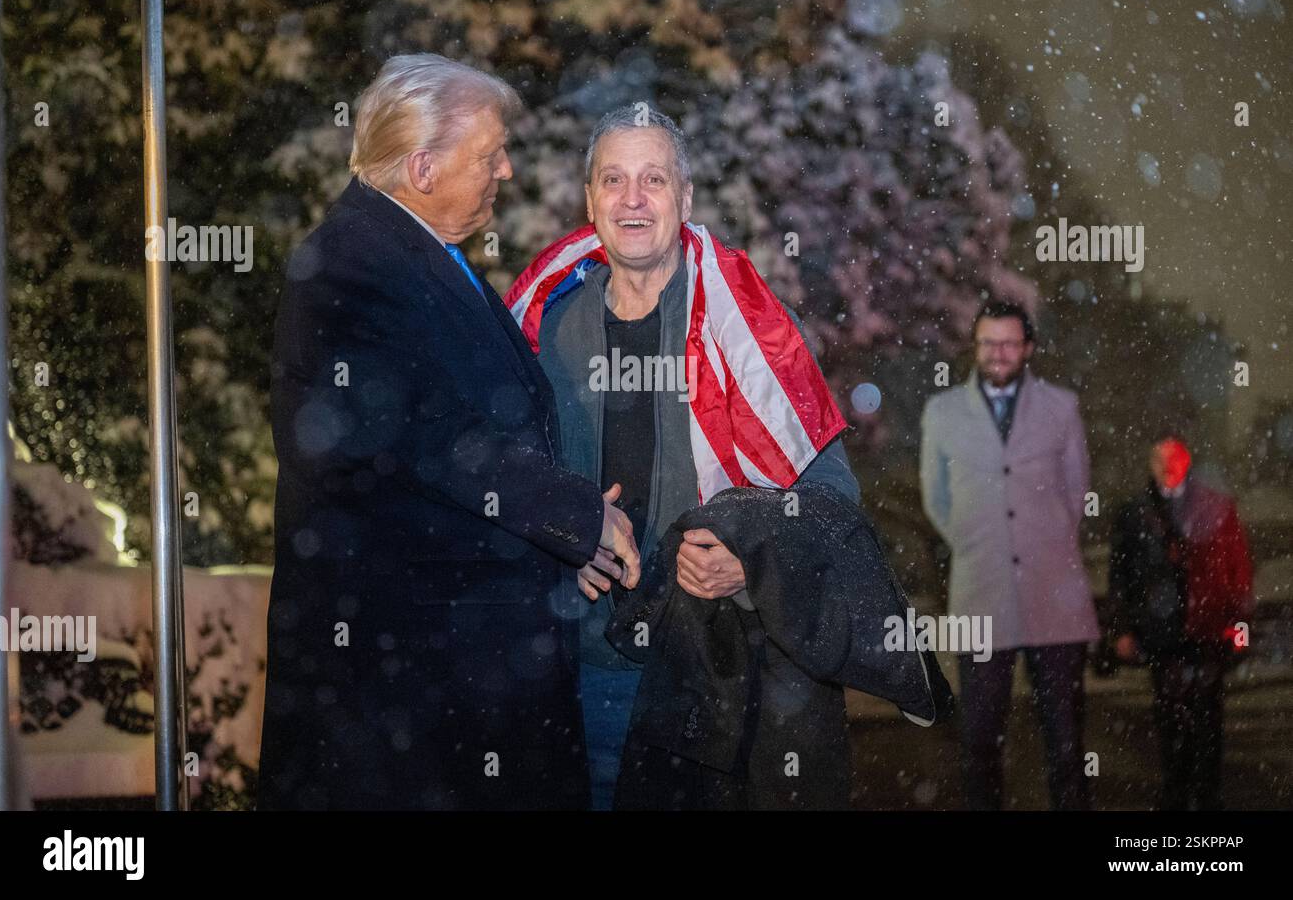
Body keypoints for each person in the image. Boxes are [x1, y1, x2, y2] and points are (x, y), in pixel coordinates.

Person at [506, 107, 949, 809]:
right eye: (612, 179)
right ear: (589, 201)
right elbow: (507, 478)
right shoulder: (545, 328)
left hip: (713, 678)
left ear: (685, 199)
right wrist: (564, 530)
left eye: (653, 179)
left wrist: (750, 559)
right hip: (580, 673)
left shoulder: (753, 330)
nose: (632, 198)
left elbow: (830, 493)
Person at [258, 54, 640, 810]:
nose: (505, 167)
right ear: (423, 167)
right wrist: (573, 512)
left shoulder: (417, 256)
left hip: (445, 694)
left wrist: (564, 545)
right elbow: (424, 437)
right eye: (489, 152)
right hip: (406, 706)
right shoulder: (351, 265)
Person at [919, 300, 1099, 810]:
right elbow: (937, 499)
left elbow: (1075, 492)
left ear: (1028, 348)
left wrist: (1040, 543)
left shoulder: (1061, 408)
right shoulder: (944, 412)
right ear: (974, 347)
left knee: (1066, 746)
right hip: (980, 595)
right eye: (988, 343)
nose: (998, 354)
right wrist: (981, 542)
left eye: (1009, 343)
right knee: (979, 743)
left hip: (1055, 598)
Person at [1108, 435, 1253, 810]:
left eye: (1174, 460)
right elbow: (1121, 574)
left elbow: (1237, 568)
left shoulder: (1214, 507)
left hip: (1205, 626)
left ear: (1187, 462)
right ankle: (1177, 791)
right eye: (1160, 460)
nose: (1168, 469)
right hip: (1163, 631)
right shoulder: (1135, 512)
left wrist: (1237, 620)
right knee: (1171, 715)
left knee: (1206, 716)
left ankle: (1205, 794)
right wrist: (1123, 627)